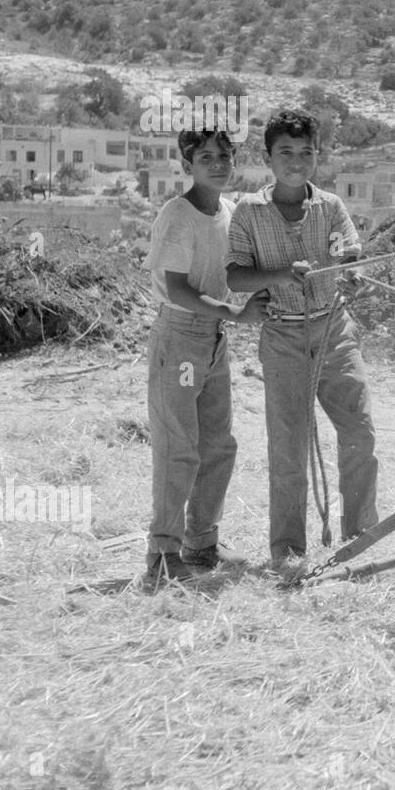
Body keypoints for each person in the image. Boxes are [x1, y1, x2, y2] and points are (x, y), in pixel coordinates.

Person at [226, 109, 378, 567]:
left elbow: (350, 257)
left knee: (360, 435)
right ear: (268, 158)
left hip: (335, 333)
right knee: (288, 450)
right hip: (284, 339)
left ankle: (360, 538)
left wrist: (353, 275)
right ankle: (288, 553)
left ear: (318, 156)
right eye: (285, 153)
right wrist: (279, 276)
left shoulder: (331, 206)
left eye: (306, 152)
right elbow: (235, 276)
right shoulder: (249, 212)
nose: (296, 161)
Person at [144, 129, 269, 587]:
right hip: (180, 338)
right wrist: (238, 313)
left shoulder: (229, 213)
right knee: (179, 449)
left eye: (224, 156)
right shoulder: (178, 215)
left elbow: (237, 276)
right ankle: (161, 552)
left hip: (214, 339)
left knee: (218, 446)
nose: (217, 164)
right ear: (187, 165)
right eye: (205, 157)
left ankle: (202, 542)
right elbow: (178, 290)